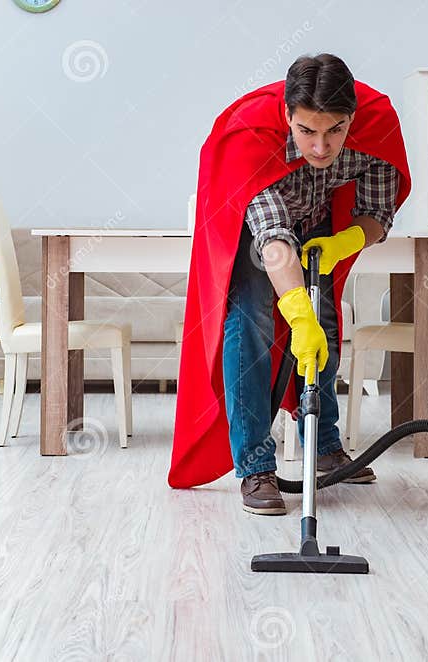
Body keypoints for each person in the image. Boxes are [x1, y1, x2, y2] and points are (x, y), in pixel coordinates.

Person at [169, 54, 412, 516]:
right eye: (306, 132)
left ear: (352, 119)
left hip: (321, 226)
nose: (321, 147)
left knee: (326, 326)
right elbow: (273, 239)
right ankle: (256, 467)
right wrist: (296, 314)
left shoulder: (376, 127)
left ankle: (322, 446)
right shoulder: (251, 136)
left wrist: (346, 241)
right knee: (254, 320)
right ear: (287, 116)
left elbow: (378, 212)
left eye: (335, 130)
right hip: (255, 231)